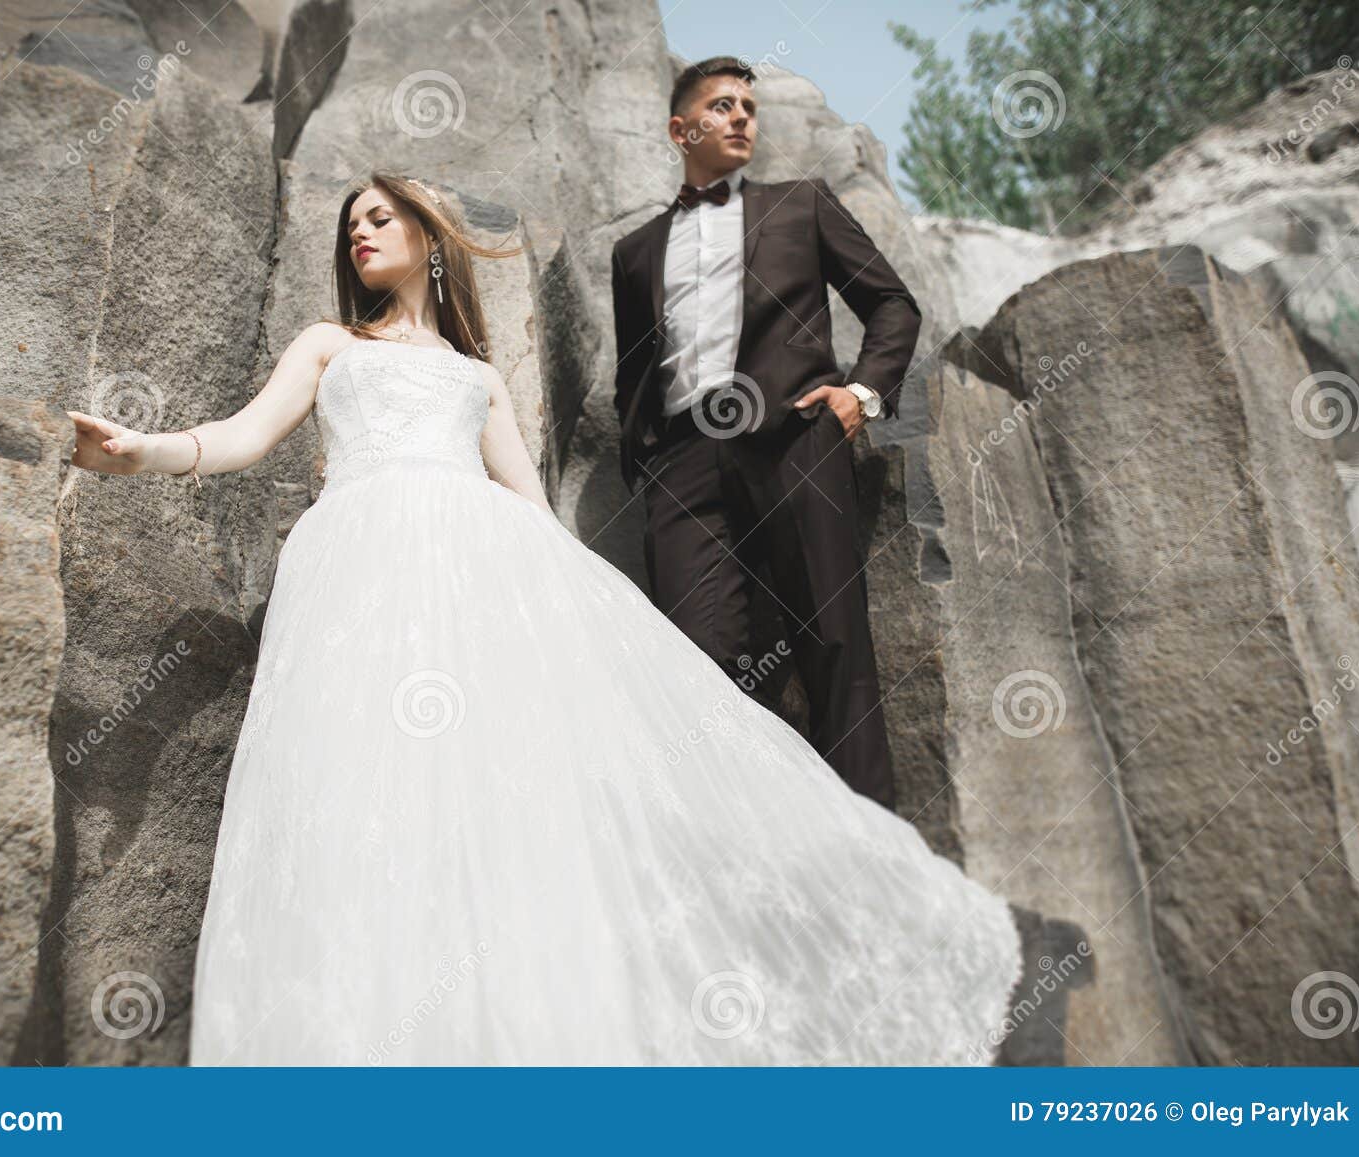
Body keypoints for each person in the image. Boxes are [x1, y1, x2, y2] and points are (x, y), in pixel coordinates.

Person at [66, 172, 1022, 1066]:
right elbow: (240, 436)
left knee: (489, 803)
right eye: (351, 224)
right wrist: (142, 451)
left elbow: (532, 510)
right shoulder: (327, 345)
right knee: (352, 789)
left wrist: (599, 641)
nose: (360, 232)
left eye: (381, 217)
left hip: (474, 581)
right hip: (353, 573)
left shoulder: (476, 377)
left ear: (430, 237)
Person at [611, 58, 920, 810]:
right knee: (696, 665)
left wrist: (860, 396)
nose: (743, 117)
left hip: (796, 442)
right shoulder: (635, 252)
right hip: (683, 466)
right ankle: (744, 850)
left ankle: (873, 852)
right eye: (722, 106)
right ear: (680, 130)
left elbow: (893, 305)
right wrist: (647, 460)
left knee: (835, 644)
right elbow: (633, 374)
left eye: (749, 107)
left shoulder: (802, 204)